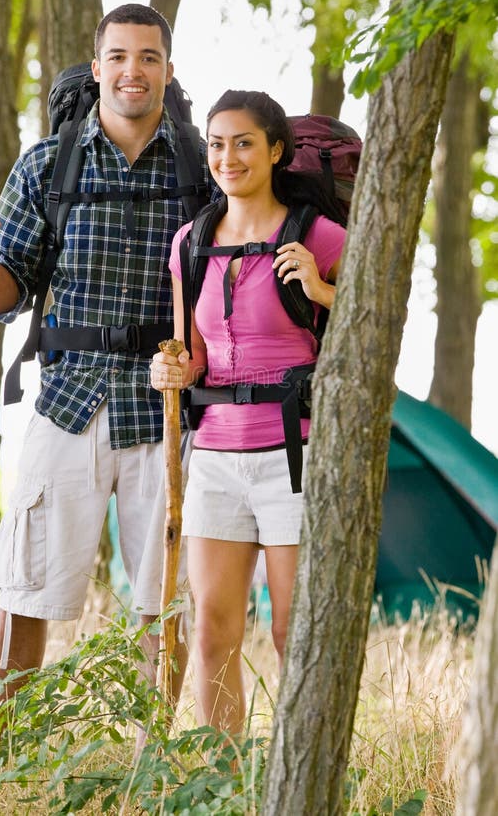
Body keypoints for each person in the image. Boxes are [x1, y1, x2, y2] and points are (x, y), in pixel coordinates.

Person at [0, 3, 213, 725]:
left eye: (149, 57)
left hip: (164, 410)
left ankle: (151, 752)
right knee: (25, 585)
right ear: (98, 68)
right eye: (120, 57)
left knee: (164, 598)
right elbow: (2, 296)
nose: (134, 70)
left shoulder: (201, 169)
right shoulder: (47, 163)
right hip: (66, 400)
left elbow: (221, 293)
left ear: (167, 68)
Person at [150, 90, 347, 738]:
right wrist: (173, 369)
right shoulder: (190, 243)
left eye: (242, 143)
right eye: (216, 143)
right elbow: (194, 353)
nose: (227, 157)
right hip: (214, 459)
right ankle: (224, 784)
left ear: (275, 151)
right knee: (212, 633)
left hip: (294, 454)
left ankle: (302, 782)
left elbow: (372, 330)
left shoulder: (319, 235)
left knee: (296, 633)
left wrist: (323, 290)